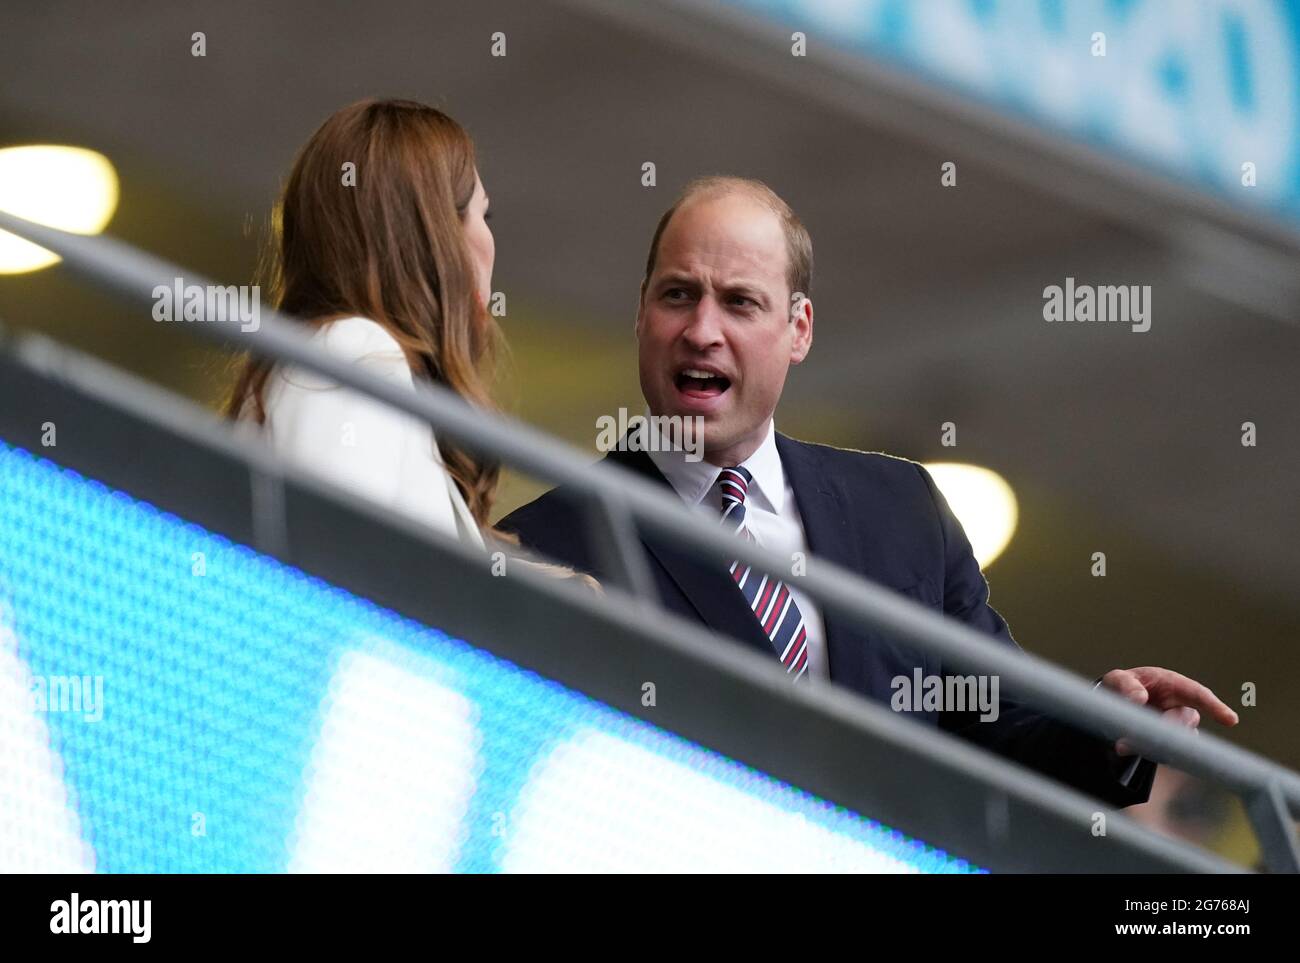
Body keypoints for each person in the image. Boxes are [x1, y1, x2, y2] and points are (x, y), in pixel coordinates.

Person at [498, 176, 1239, 807]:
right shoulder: (548, 544)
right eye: (677, 295)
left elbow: (992, 724)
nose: (701, 330)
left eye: (740, 302)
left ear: (799, 329)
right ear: (641, 313)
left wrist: (1107, 728)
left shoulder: (902, 506)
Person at [225, 99, 500, 549]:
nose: (488, 241)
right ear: (431, 232)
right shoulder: (355, 348)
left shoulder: (339, 354)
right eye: (478, 214)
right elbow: (329, 561)